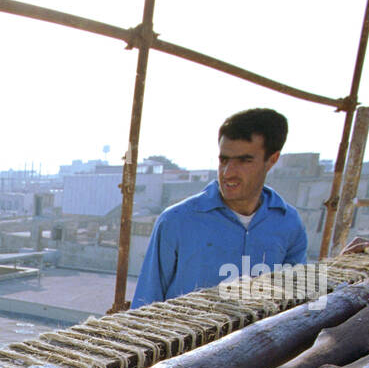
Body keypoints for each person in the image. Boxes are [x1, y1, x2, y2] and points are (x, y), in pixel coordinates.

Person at [132, 108, 308, 308]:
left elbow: (298, 297)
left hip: (262, 339)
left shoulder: (289, 223)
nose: (228, 173)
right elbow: (144, 304)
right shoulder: (176, 221)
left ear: (272, 160)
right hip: (192, 339)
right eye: (223, 160)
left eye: (244, 160)